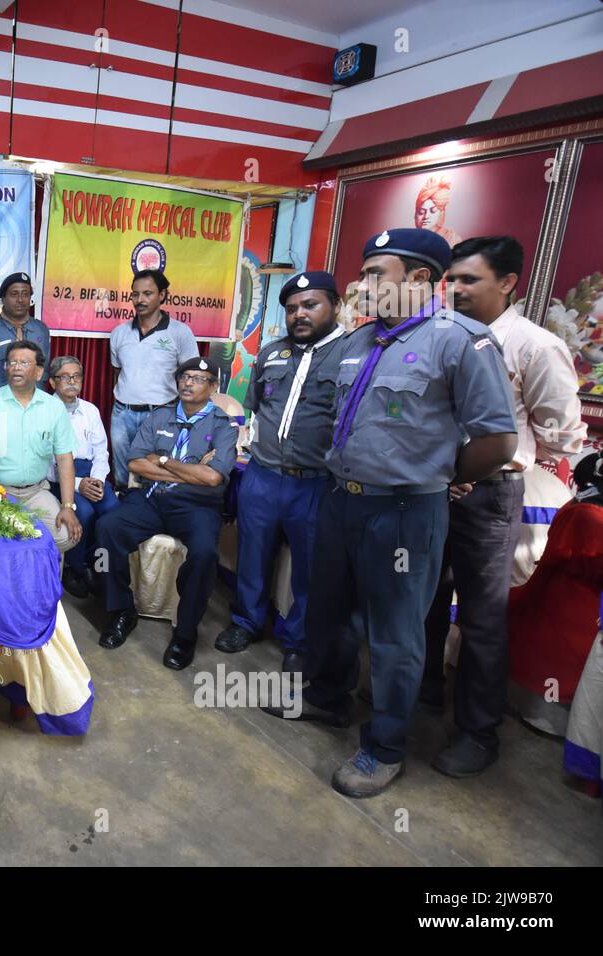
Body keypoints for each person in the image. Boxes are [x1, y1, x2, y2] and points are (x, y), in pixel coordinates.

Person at [267, 227, 517, 800]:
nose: (364, 283)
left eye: (378, 273)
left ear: (421, 279)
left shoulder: (460, 341)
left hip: (404, 512)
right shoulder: (359, 342)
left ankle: (384, 747)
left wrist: (440, 475)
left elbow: (498, 442)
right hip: (341, 501)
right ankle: (328, 700)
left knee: (396, 636)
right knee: (330, 614)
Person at [420, 236, 588, 777]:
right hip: (433, 487)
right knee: (425, 596)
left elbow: (563, 435)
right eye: (453, 279)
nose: (457, 289)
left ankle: (477, 732)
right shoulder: (440, 336)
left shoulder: (534, 347)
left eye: (470, 279)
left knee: (481, 616)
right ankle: (425, 690)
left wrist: (494, 464)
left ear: (508, 282)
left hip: (488, 495)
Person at [215, 271, 345, 675]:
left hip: (316, 481)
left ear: (334, 306)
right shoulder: (271, 353)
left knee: (309, 567)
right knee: (253, 554)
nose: (299, 315)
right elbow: (254, 406)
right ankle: (246, 623)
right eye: (292, 309)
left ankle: (299, 641)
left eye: (310, 305)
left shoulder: (351, 355)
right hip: (263, 474)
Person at [95, 358, 238, 670]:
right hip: (150, 498)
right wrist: (194, 468)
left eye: (198, 379)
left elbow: (213, 479)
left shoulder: (223, 426)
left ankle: (185, 633)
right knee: (106, 530)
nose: (188, 383)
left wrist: (162, 461)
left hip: (197, 506)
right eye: (184, 377)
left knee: (203, 555)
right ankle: (120, 610)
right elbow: (134, 463)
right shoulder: (159, 416)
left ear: (213, 387)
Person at [0, 340, 81, 555]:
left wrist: (67, 507)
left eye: (24, 363)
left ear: (39, 372)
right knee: (0, 538)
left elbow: (64, 459)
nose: (16, 367)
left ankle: (42, 583)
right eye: (12, 362)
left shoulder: (54, 407)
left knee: (66, 536)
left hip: (37, 492)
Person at [109, 269, 199, 488]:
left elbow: (193, 377)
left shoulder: (180, 333)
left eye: (147, 293)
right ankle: (123, 509)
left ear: (162, 295)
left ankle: (148, 516)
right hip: (123, 414)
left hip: (161, 415)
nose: (140, 300)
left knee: (155, 474)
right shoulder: (119, 333)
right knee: (122, 473)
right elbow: (117, 373)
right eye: (135, 294)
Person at [45, 355, 118, 598]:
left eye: (76, 376)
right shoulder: (44, 411)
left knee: (111, 510)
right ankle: (73, 569)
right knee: (84, 513)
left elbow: (101, 451)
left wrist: (97, 480)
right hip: (59, 478)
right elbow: (46, 464)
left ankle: (100, 566)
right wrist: (77, 484)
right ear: (53, 382)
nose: (72, 382)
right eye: (65, 377)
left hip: (92, 474)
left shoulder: (90, 410)